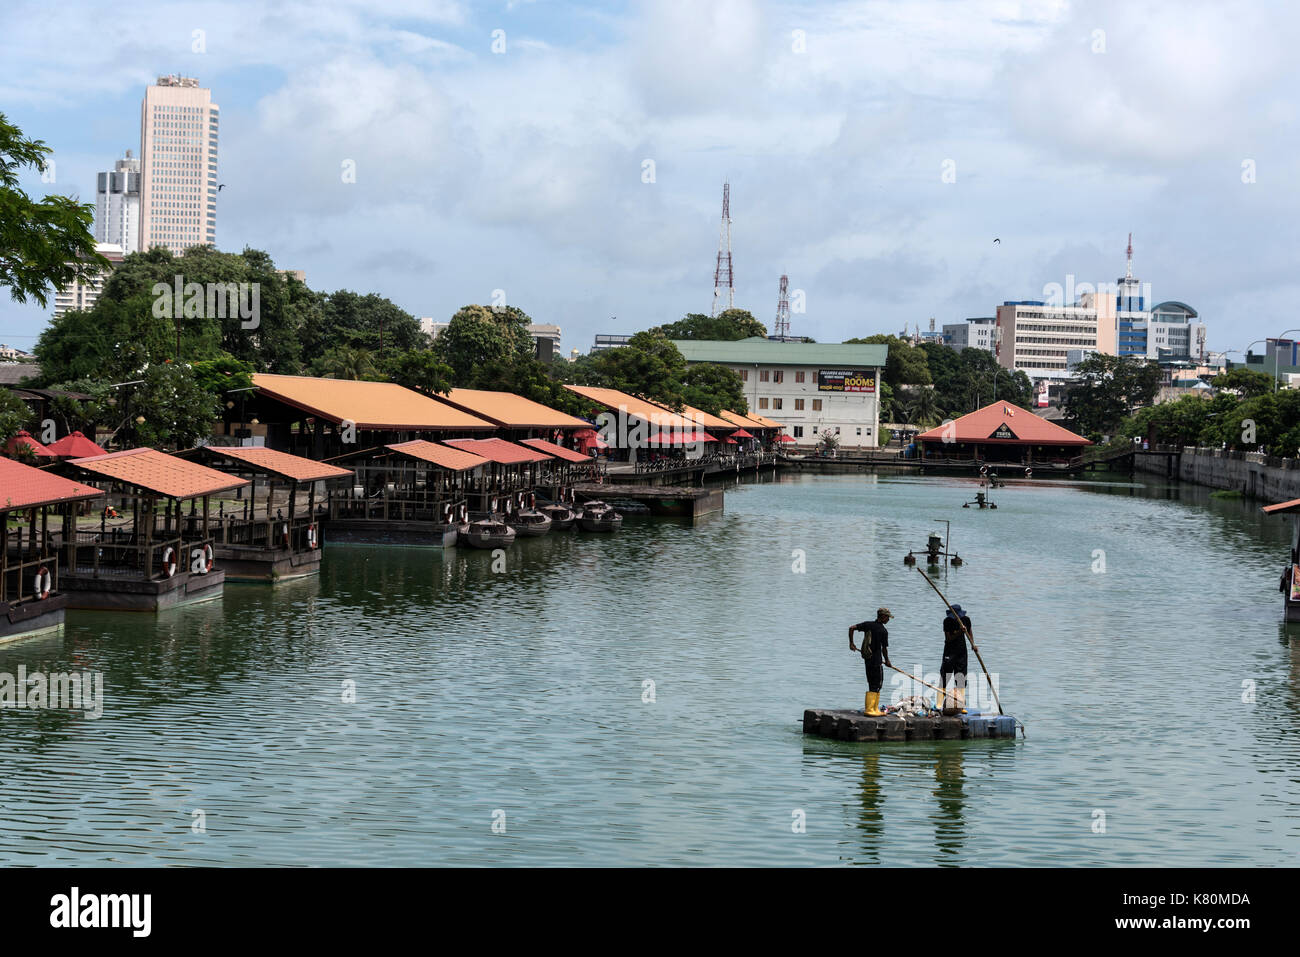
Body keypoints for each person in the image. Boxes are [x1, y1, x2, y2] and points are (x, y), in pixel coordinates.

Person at [849, 608, 893, 716]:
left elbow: (851, 628)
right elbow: (884, 649)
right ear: (882, 616)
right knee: (877, 684)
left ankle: (874, 709)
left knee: (871, 683)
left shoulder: (868, 625)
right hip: (876, 661)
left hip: (867, 659)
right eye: (887, 617)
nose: (888, 620)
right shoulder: (883, 631)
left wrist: (851, 643)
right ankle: (870, 710)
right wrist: (887, 660)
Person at [940, 605, 971, 713]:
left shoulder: (965, 620)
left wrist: (973, 644)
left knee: (961, 677)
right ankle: (940, 703)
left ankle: (960, 704)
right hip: (950, 651)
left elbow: (970, 632)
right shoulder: (947, 621)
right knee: (945, 676)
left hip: (962, 651)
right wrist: (959, 632)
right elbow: (948, 639)